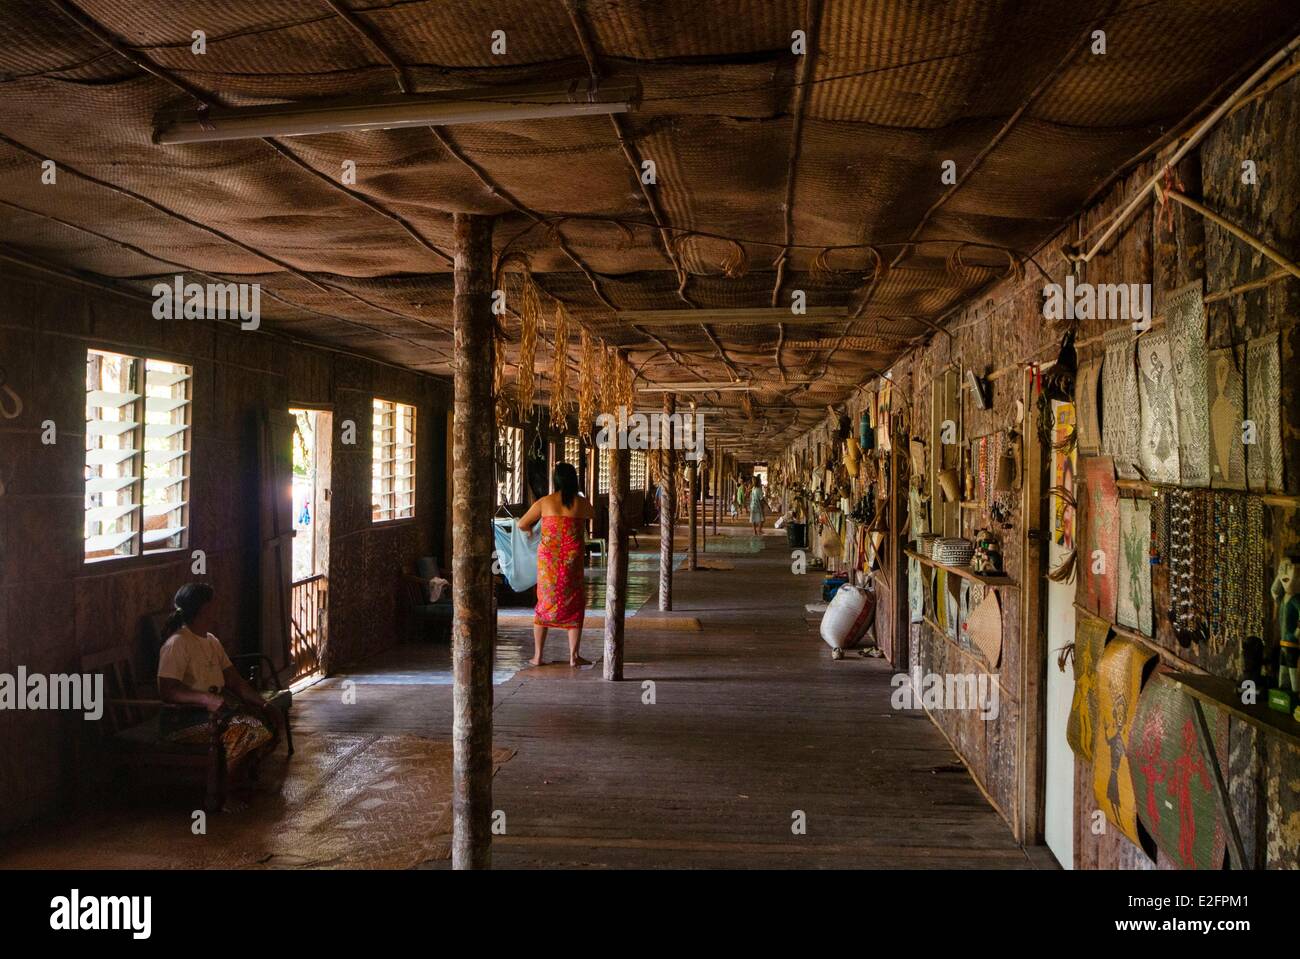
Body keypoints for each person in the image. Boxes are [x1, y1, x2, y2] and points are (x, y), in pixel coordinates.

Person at [156, 583, 283, 775]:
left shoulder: (211, 641)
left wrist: (264, 704)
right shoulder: (177, 643)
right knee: (248, 729)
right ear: (202, 609)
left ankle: (239, 777)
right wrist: (206, 699)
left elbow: (235, 681)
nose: (218, 608)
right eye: (213, 604)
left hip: (215, 714)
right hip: (183, 720)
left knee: (268, 722)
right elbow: (168, 690)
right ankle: (223, 792)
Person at [518, 462, 595, 667]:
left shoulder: (545, 502)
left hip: (548, 562)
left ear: (556, 480)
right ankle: (574, 656)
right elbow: (593, 515)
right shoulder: (582, 503)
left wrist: (531, 532)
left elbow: (522, 523)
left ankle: (538, 656)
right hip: (572, 560)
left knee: (544, 603)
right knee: (575, 603)